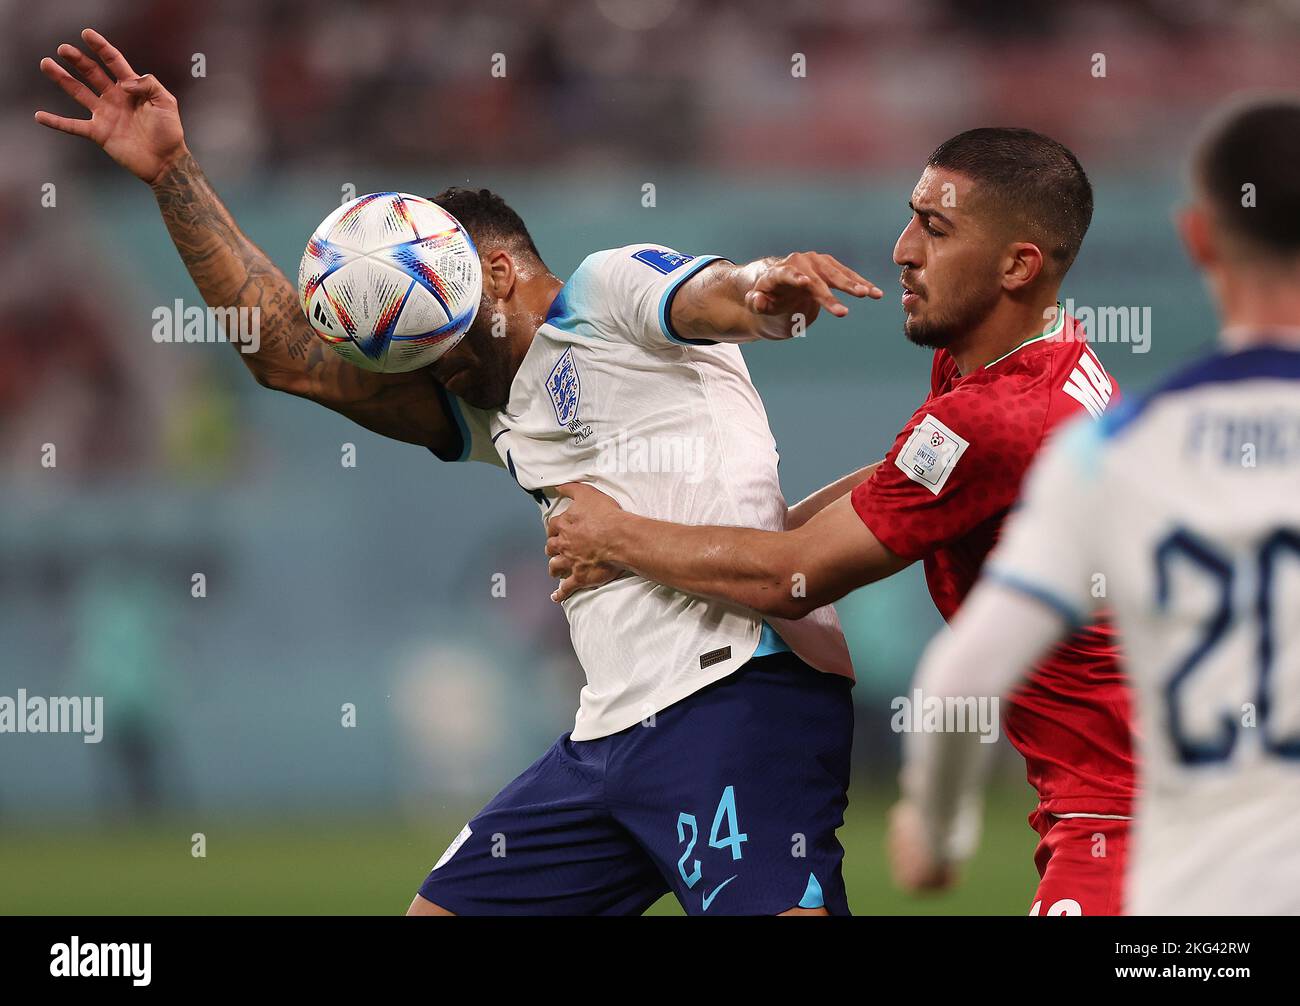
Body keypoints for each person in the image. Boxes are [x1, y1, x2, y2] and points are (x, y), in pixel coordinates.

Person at [36, 28, 882, 916]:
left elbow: (716, 293)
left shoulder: (608, 291)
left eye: (434, 344)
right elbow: (285, 357)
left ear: (501, 272)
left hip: (736, 691)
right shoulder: (492, 402)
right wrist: (173, 171)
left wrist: (766, 288)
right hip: (608, 735)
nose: (429, 371)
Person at [548, 127, 1135, 914]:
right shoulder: (1021, 362)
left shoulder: (998, 417)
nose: (903, 249)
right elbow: (908, 482)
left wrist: (613, 537)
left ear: (1017, 265)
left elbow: (793, 578)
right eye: (911, 216)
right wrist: (765, 528)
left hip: (1135, 821)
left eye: (936, 228)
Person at [894, 96, 1300, 915]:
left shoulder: (1110, 451)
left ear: (1199, 240)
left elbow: (959, 680)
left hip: (1161, 871)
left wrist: (935, 834)